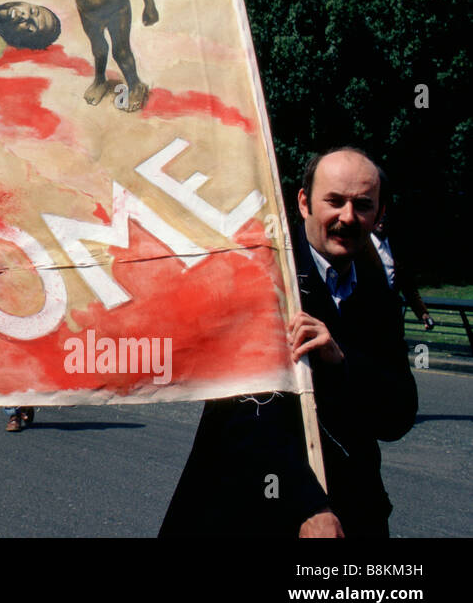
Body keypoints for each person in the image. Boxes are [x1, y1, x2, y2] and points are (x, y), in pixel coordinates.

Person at [160, 147, 417, 537]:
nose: (347, 217)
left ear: (379, 212)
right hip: (256, 510)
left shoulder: (376, 286)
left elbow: (398, 412)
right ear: (303, 202)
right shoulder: (260, 272)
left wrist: (340, 360)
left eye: (363, 205)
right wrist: (308, 505)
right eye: (334, 201)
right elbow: (246, 412)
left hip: (353, 511)